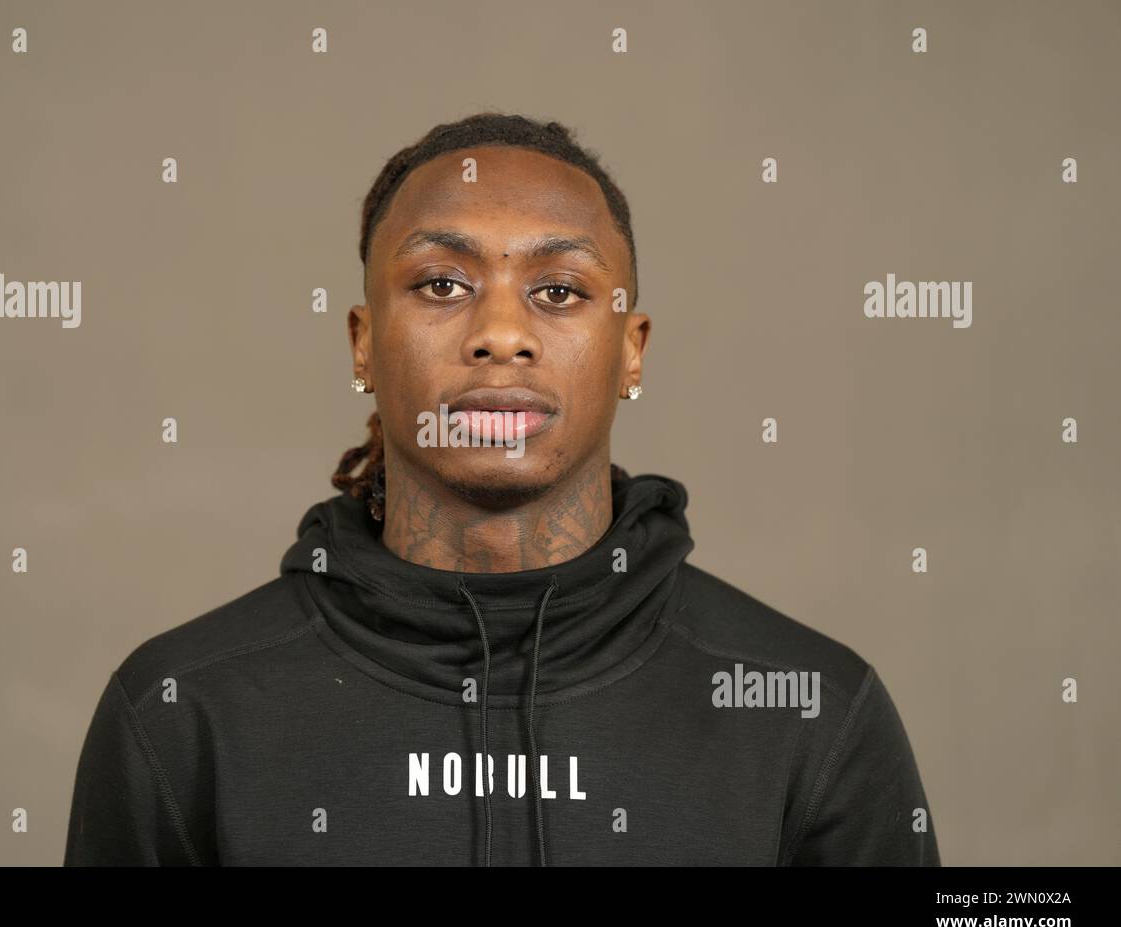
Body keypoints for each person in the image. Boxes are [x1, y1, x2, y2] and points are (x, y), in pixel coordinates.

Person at [64, 111, 940, 866]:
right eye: (442, 284)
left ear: (631, 349)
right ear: (362, 343)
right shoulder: (182, 712)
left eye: (559, 290)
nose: (501, 334)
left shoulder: (808, 710)